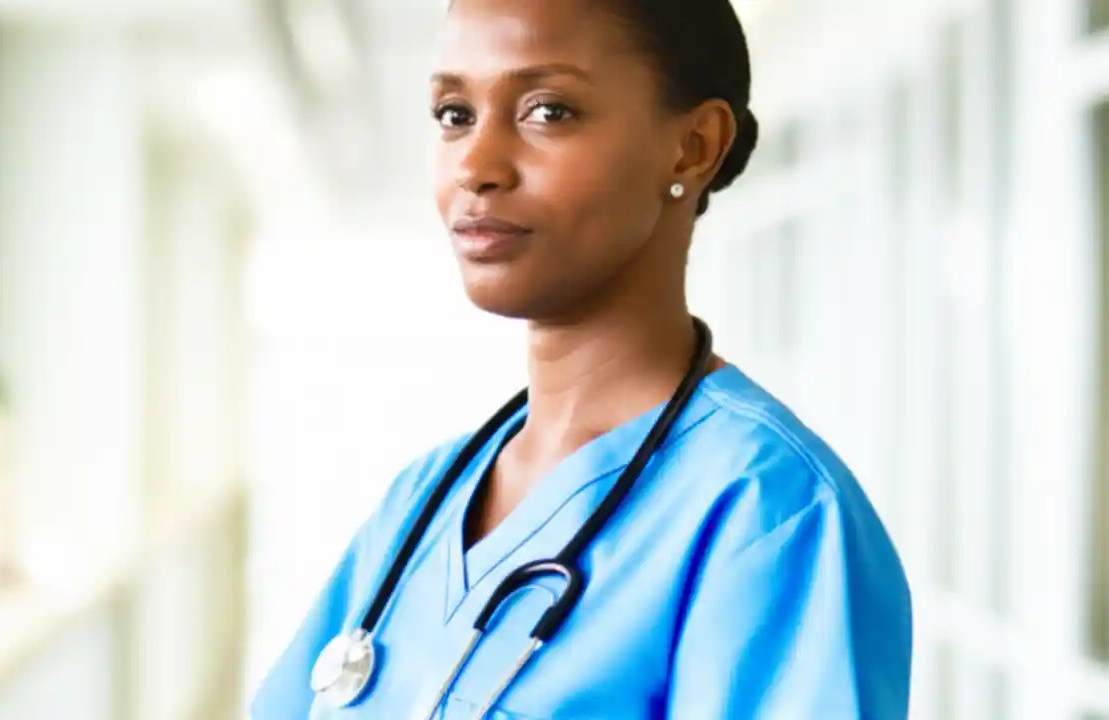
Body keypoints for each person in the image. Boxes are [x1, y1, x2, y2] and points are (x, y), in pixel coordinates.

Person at [251, 0, 912, 717]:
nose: (475, 166)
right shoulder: (423, 499)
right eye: (454, 114)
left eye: (549, 111)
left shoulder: (768, 512)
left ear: (693, 147)